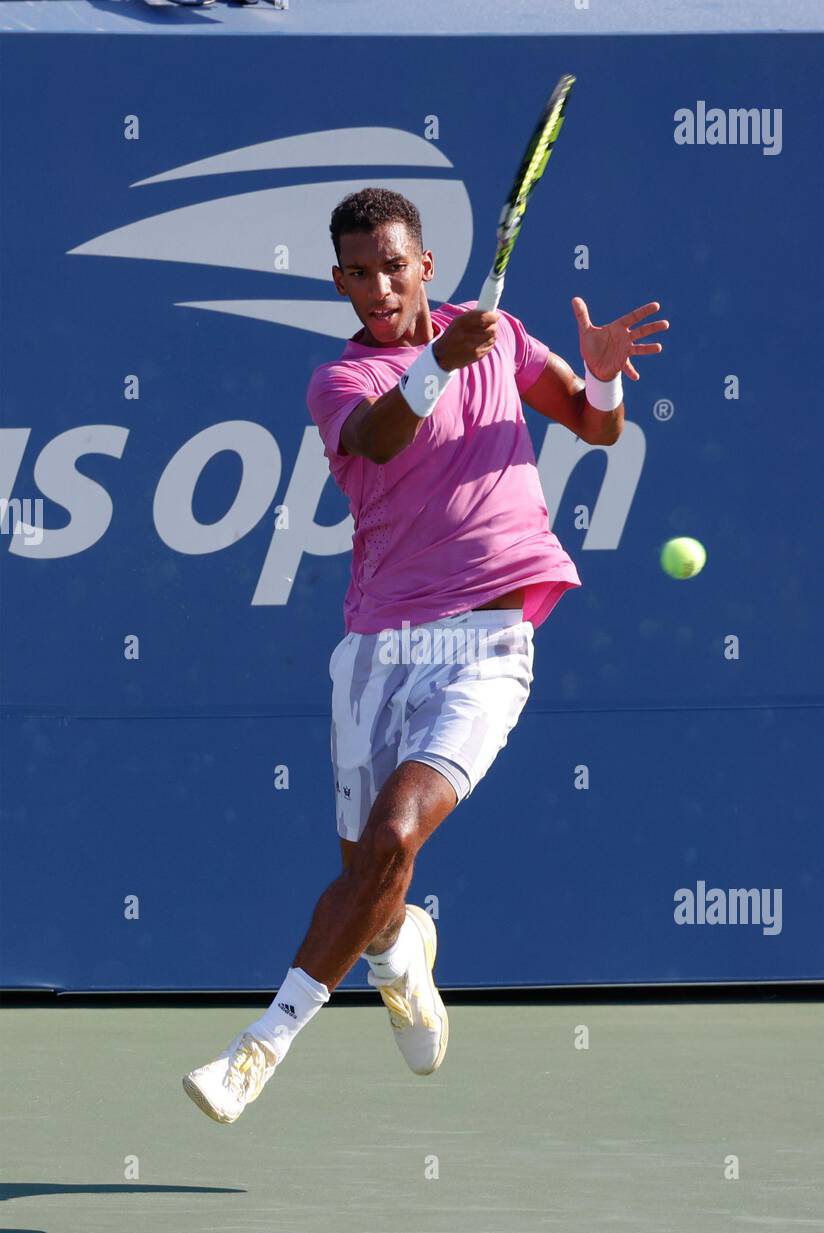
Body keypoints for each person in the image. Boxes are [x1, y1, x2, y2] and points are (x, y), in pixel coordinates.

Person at [183, 187, 668, 1123]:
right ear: (338, 280)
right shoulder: (342, 382)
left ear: (426, 265)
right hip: (376, 650)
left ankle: (258, 1048)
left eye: (393, 266)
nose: (378, 286)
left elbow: (596, 425)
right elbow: (378, 436)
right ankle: (401, 953)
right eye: (358, 273)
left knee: (397, 835)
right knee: (368, 882)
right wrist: (435, 365)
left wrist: (602, 378)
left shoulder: (499, 336)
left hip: (486, 641)